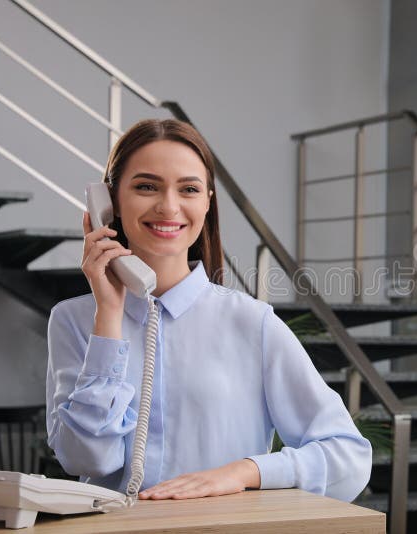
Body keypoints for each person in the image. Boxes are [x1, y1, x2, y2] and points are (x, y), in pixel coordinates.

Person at [45, 119, 372, 502]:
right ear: (109, 201)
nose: (169, 206)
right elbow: (88, 459)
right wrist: (109, 318)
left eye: (188, 189)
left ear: (207, 202)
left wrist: (243, 472)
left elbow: (350, 459)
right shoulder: (73, 320)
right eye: (147, 186)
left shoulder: (253, 322)